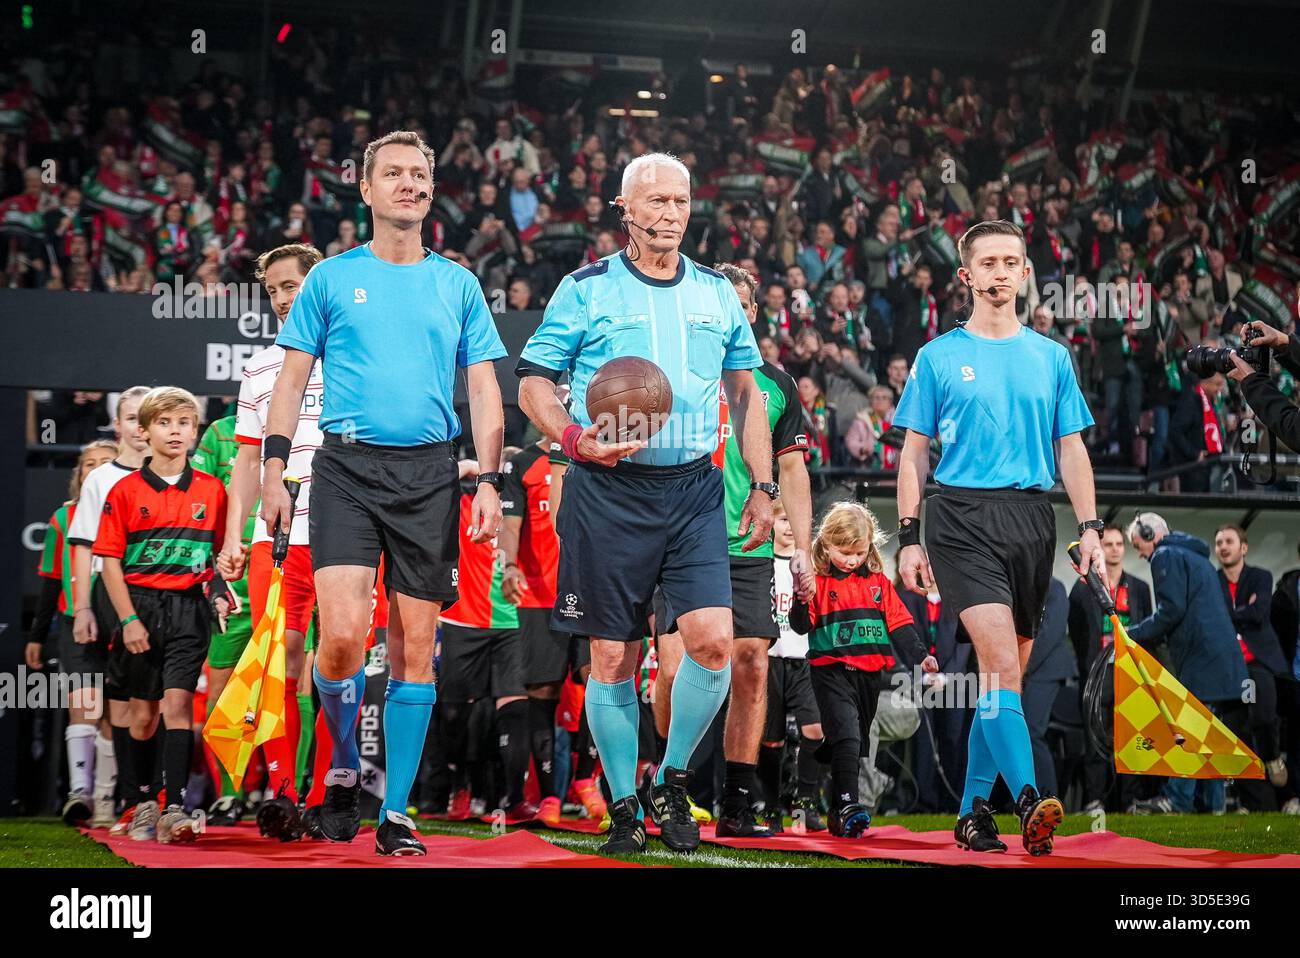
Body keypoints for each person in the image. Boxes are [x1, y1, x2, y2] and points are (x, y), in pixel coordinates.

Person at [515, 152, 774, 855]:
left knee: (715, 644)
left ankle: (674, 780)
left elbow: (748, 393)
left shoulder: (718, 292)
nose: (669, 214)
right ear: (623, 209)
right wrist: (573, 437)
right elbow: (533, 382)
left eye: (680, 202)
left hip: (693, 489)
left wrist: (763, 484)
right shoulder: (585, 288)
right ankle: (625, 804)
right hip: (609, 490)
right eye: (654, 201)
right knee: (612, 659)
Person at [261, 131, 508, 857]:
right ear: (365, 190)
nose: (409, 184)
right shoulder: (330, 278)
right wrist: (275, 472)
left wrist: (489, 479)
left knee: (414, 646)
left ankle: (394, 812)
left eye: (420, 174)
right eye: (394, 174)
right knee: (338, 641)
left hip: (431, 473)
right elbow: (290, 382)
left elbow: (486, 391)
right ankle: (341, 766)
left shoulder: (458, 284)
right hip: (344, 469)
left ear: (432, 189)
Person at [893, 220, 1102, 856]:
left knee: (999, 681)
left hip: (1034, 522)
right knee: (1001, 665)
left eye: (1013, 261)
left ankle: (972, 813)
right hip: (959, 519)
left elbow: (1072, 449)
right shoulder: (935, 357)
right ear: (967, 275)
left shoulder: (1052, 356)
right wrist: (908, 536)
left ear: (1025, 271)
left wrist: (1090, 526)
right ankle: (1030, 799)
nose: (1002, 272)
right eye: (989, 263)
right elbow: (911, 455)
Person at [651, 262, 814, 838]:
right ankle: (670, 783)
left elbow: (793, 468)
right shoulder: (671, 372)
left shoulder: (775, 384)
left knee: (750, 662)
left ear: (751, 313)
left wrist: (803, 548)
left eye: (744, 306)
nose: (736, 314)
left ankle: (738, 802)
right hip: (678, 539)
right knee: (672, 669)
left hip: (748, 544)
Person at [214, 243, 325, 838]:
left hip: (344, 537)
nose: (284, 297)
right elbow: (246, 462)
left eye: (293, 285)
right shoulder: (259, 368)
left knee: (334, 666)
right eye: (275, 288)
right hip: (273, 539)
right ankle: (284, 790)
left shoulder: (352, 355)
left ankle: (329, 791)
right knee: (278, 664)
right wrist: (235, 533)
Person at [93, 387, 234, 843]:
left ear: (196, 432)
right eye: (165, 424)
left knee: (178, 706)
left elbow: (216, 560)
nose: (175, 432)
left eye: (184, 424)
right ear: (144, 431)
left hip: (188, 612)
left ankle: (175, 807)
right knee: (142, 714)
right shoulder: (125, 490)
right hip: (140, 606)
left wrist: (219, 589)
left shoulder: (213, 490)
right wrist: (128, 619)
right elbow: (110, 561)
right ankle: (139, 803)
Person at [787, 503, 936, 836]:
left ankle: (838, 811)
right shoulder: (819, 583)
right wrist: (800, 598)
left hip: (870, 676)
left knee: (852, 745)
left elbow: (899, 625)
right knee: (851, 737)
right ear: (825, 544)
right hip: (831, 671)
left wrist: (921, 656)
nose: (852, 560)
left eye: (859, 552)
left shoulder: (879, 584)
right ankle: (849, 803)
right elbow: (800, 626)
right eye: (844, 552)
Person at [66, 386, 153, 833]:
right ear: (117, 425)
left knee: (148, 701)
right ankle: (109, 797)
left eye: (147, 417)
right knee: (111, 700)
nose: (140, 427)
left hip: (159, 595)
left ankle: (141, 799)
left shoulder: (174, 475)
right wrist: (83, 606)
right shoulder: (100, 479)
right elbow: (82, 547)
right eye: (132, 418)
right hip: (108, 593)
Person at [1124, 513, 1249, 814]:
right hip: (1220, 658)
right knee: (1209, 734)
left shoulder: (1164, 555)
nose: (1139, 553)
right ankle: (1212, 805)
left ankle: (1176, 800)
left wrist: (1132, 634)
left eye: (1137, 544)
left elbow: (1171, 611)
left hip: (1201, 658)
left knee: (1188, 729)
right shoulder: (1193, 555)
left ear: (1149, 534)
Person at [25, 439, 117, 826]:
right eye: (87, 464)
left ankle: (106, 799)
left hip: (121, 619)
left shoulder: (129, 510)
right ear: (78, 475)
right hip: (73, 620)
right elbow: (50, 580)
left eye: (104, 463)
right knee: (84, 702)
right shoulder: (64, 518)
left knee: (115, 709)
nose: (94, 469)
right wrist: (36, 634)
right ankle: (79, 792)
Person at [439, 477, 536, 820]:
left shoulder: (516, 494)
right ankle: (460, 788)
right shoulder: (458, 493)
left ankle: (515, 798)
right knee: (456, 715)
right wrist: (466, 470)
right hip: (461, 617)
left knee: (514, 705)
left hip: (509, 615)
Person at [497, 425, 574, 826]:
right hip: (540, 596)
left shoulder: (596, 453)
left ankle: (592, 784)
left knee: (603, 677)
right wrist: (509, 565)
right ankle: (549, 798)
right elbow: (510, 525)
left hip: (592, 590)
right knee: (542, 693)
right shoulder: (522, 463)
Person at [1066, 524, 1152, 813]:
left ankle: (1130, 800)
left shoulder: (1140, 588)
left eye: (1119, 544)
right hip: (1096, 670)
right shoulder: (1083, 589)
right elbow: (1076, 633)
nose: (1115, 549)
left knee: (1131, 734)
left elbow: (1149, 629)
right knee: (1095, 735)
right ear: (1099, 550)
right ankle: (1095, 799)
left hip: (1130, 669)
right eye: (1109, 544)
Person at [758, 501, 825, 832]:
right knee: (771, 740)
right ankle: (771, 808)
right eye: (782, 519)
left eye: (792, 520)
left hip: (803, 660)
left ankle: (805, 803)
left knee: (815, 730)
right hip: (769, 661)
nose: (787, 526)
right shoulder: (762, 563)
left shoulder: (809, 565)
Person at [1214, 524, 1290, 804]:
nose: (1223, 546)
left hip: (1258, 662)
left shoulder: (1260, 576)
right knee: (1235, 731)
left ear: (1243, 547)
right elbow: (1215, 619)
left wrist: (1231, 614)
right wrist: (1240, 612)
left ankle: (1271, 758)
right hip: (1229, 666)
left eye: (1229, 541)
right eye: (1219, 542)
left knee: (1263, 717)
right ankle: (1253, 800)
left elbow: (1259, 613)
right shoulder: (1212, 581)